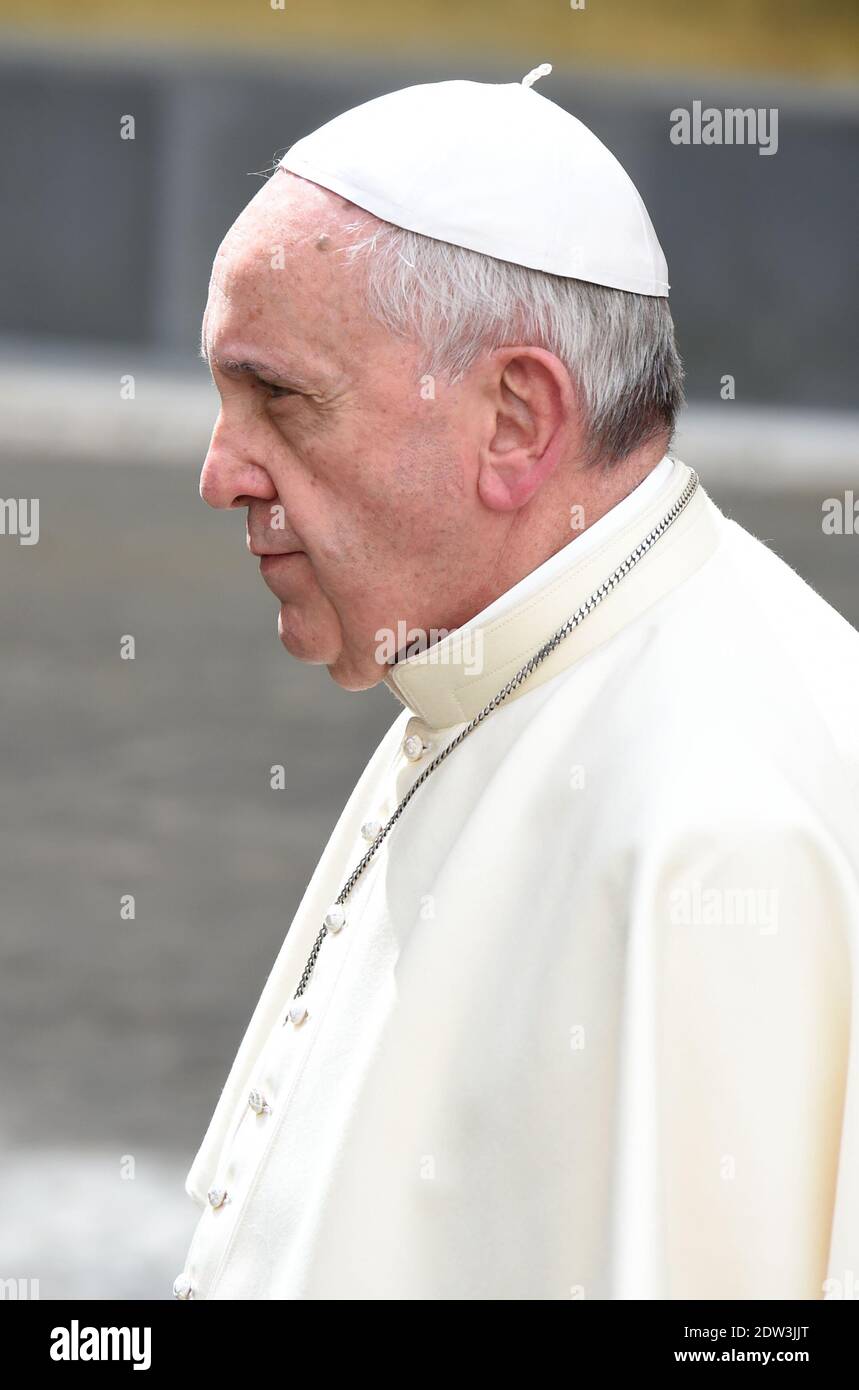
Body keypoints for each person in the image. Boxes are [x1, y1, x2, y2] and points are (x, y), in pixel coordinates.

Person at [174, 68, 859, 1300]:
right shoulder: (495, 664)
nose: (221, 472)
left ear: (512, 419)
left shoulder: (715, 825)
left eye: (278, 396)